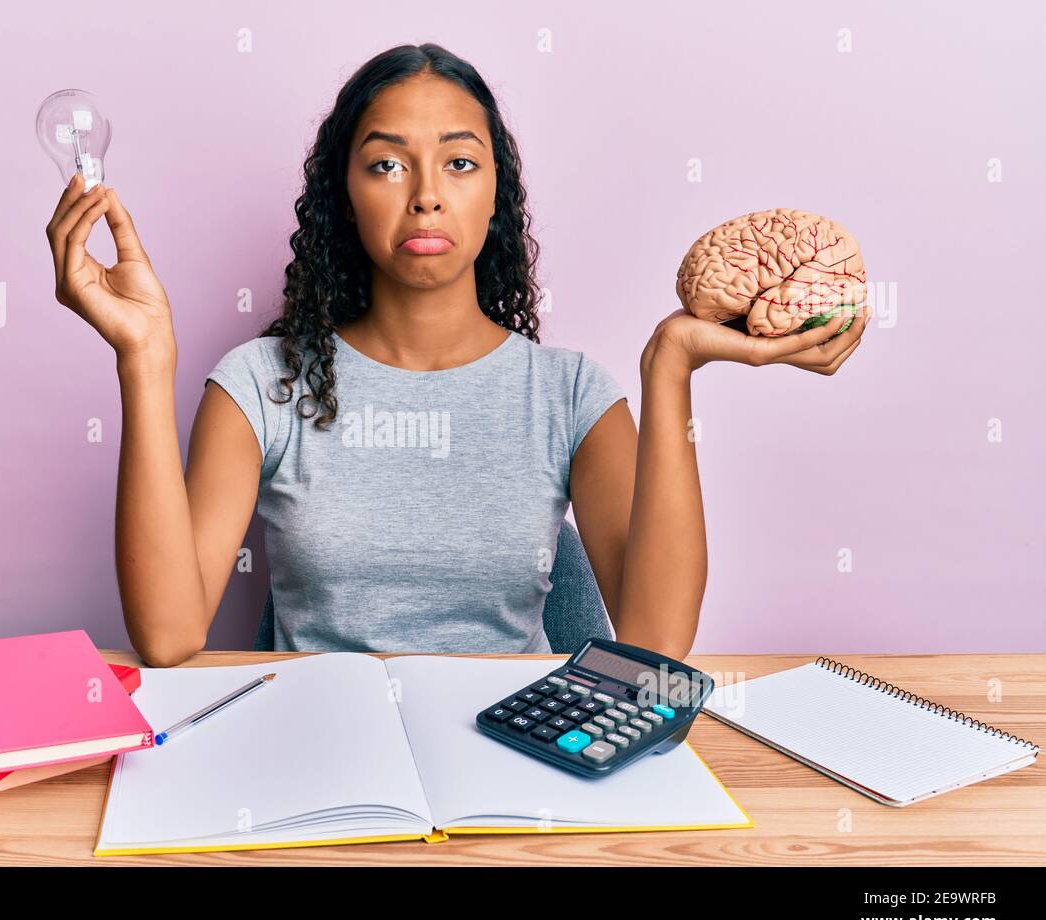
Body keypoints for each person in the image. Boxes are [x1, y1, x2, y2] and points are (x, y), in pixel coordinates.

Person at [44, 43, 870, 667]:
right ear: (346, 195)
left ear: (495, 195)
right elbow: (167, 636)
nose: (426, 191)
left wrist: (672, 364)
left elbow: (656, 645)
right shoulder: (264, 385)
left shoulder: (569, 394)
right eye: (387, 163)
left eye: (460, 161)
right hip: (319, 771)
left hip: (518, 773)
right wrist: (145, 358)